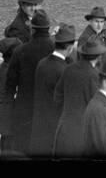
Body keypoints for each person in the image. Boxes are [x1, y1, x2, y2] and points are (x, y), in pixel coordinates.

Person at [5, 9, 54, 154]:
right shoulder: (55, 50)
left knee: (23, 150)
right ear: (48, 29)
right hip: (49, 111)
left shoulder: (20, 51)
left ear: (32, 29)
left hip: (24, 110)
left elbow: (10, 86)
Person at [30, 24, 76, 157]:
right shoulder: (64, 70)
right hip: (54, 130)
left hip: (39, 125)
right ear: (70, 47)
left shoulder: (42, 63)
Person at [54, 38, 106, 157]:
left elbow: (57, 97)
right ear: (98, 57)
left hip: (64, 128)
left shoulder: (69, 69)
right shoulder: (94, 75)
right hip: (84, 134)